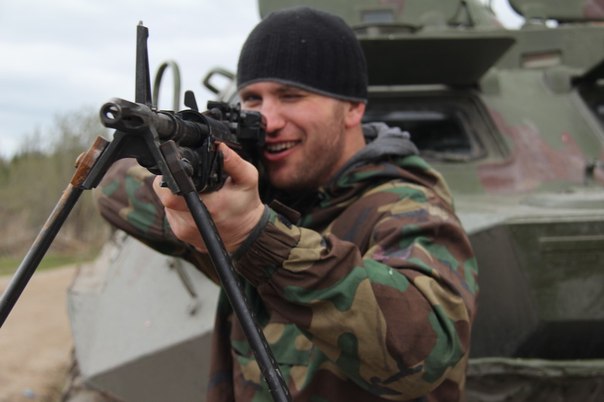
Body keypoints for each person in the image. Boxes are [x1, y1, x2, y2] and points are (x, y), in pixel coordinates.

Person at [96, 6, 478, 402]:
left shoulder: (408, 206)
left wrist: (255, 235)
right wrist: (195, 168)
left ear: (353, 107)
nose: (269, 120)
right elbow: (112, 187)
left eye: (291, 96)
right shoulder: (260, 191)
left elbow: (423, 351)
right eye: (253, 99)